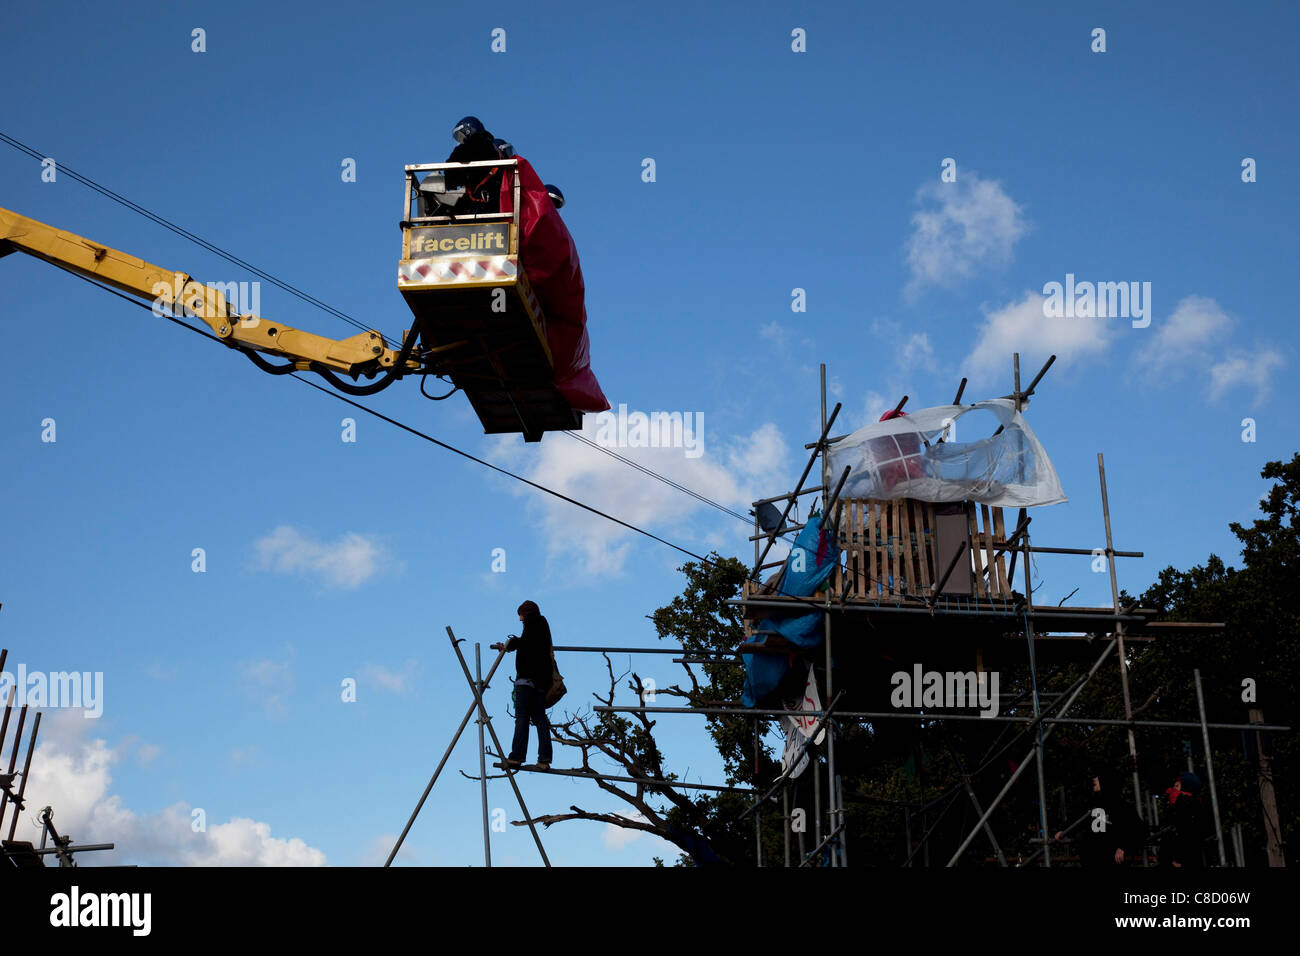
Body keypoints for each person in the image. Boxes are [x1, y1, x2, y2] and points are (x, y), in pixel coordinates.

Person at [494, 600, 553, 770]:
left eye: (521, 615)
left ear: (526, 613)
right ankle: (544, 759)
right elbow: (529, 643)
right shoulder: (542, 626)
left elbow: (525, 643)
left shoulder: (532, 624)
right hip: (541, 682)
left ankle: (517, 757)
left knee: (522, 719)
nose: (520, 619)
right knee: (540, 720)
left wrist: (508, 645)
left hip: (526, 681)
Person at [1055, 771, 1143, 867]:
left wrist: (1124, 848)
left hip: (1111, 861)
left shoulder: (1121, 806)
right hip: (1090, 860)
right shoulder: (1090, 803)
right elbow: (1076, 820)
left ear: (1107, 781)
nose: (1094, 779)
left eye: (1098, 777)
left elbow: (1139, 830)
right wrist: (1063, 830)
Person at [444, 116, 508, 213]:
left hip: (487, 208)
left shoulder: (481, 145)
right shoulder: (484, 150)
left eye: (461, 137)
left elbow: (453, 169)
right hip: (483, 205)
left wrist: (448, 178)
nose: (461, 142)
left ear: (469, 131)